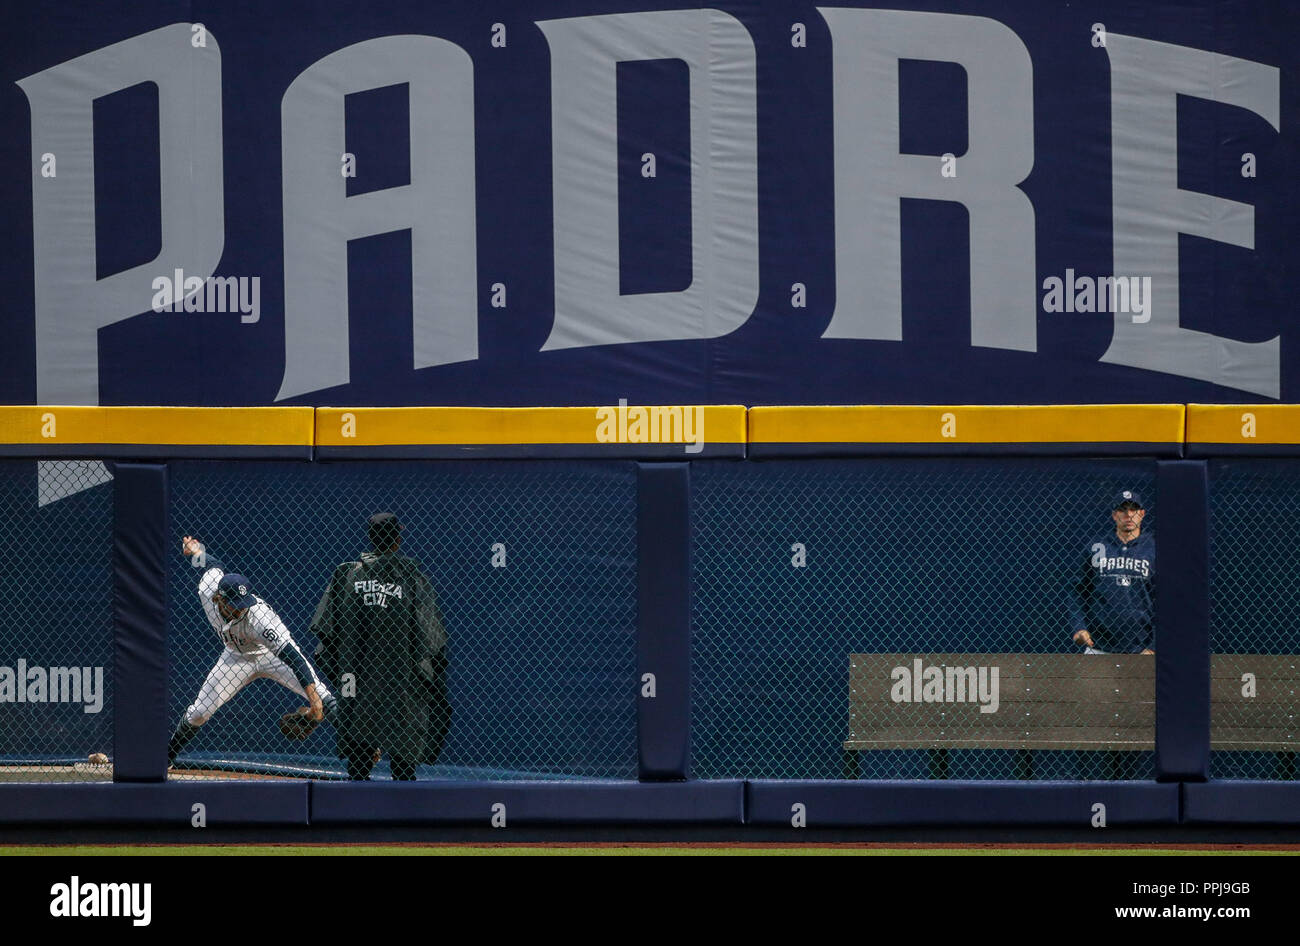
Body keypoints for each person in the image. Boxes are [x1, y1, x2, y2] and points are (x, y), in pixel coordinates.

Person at [168, 536, 337, 766]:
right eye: (235, 604)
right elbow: (213, 564)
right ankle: (166, 757)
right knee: (199, 712)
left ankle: (361, 749)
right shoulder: (208, 588)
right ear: (219, 599)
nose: (241, 609)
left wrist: (315, 702)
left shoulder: (260, 618)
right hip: (235, 658)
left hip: (271, 655)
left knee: (324, 696)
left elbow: (294, 659)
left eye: (244, 602)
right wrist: (197, 550)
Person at [309, 513, 451, 781]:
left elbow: (327, 635)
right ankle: (403, 805)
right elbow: (432, 637)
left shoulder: (347, 575)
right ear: (397, 539)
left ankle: (357, 805)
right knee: (403, 753)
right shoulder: (413, 578)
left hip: (357, 681)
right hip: (402, 682)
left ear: (371, 539)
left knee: (359, 758)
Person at [1069, 490, 1155, 655]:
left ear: (1142, 514)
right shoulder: (1097, 547)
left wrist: (1153, 647)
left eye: (1134, 509)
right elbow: (1078, 591)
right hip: (1099, 647)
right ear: (1115, 515)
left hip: (1142, 650)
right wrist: (1079, 627)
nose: (1128, 515)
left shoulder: (1154, 550)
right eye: (1123, 510)